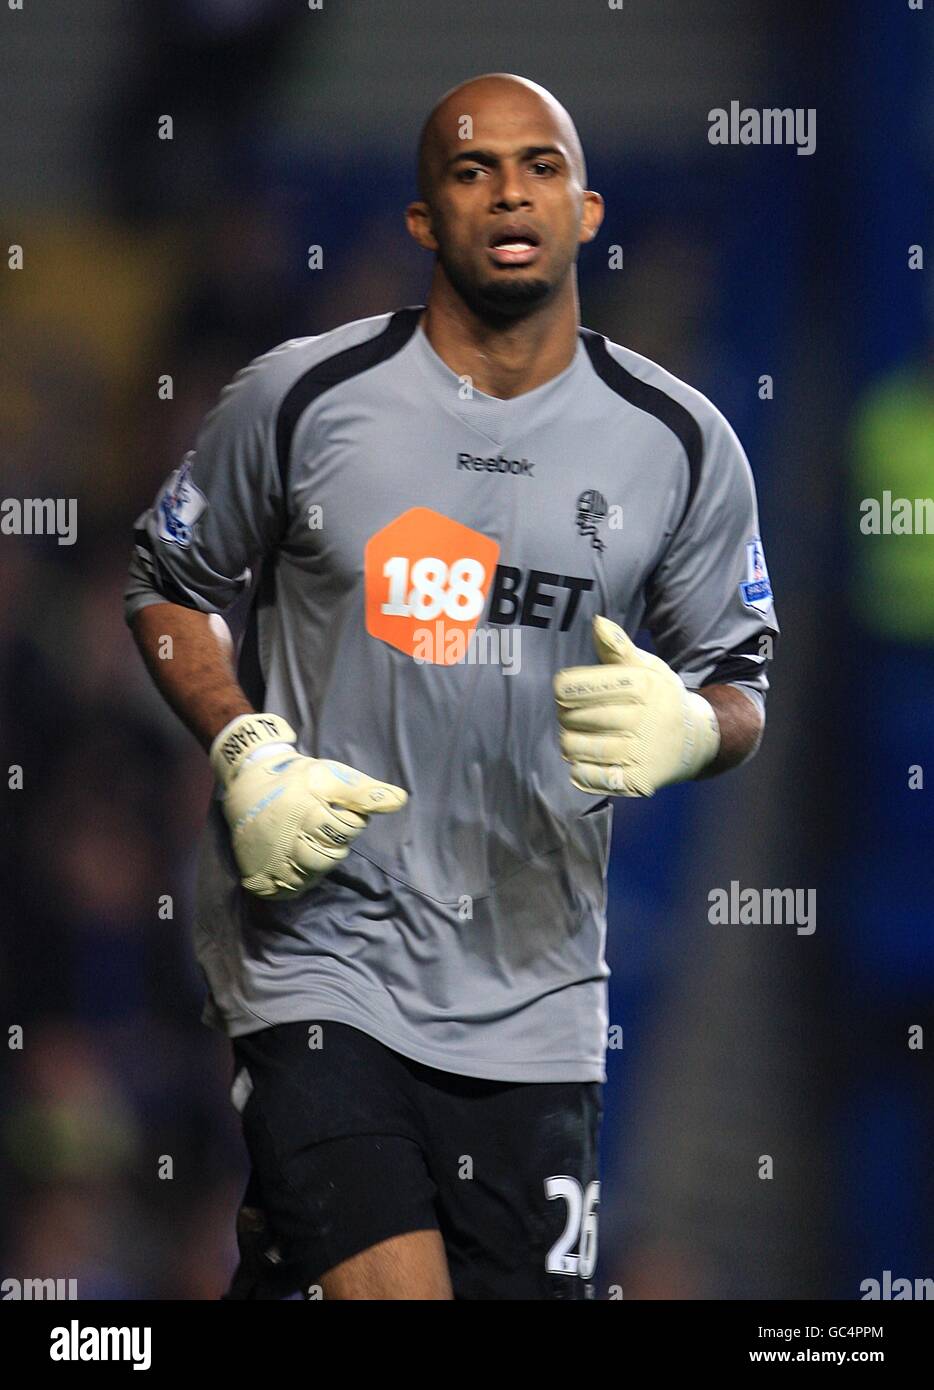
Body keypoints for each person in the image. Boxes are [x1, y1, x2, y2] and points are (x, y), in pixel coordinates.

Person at [125, 72, 778, 1300]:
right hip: (323, 959)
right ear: (425, 220)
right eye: (472, 170)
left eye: (539, 166)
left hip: (539, 992)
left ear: (586, 210)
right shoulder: (302, 398)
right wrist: (242, 747)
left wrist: (695, 728)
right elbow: (165, 582)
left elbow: (739, 677)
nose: (509, 192)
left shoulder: (682, 444)